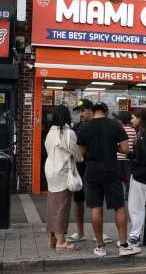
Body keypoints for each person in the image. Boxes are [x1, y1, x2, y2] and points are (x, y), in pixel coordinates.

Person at [76, 102, 140, 257]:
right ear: (107, 111)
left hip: (92, 171)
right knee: (119, 207)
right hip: (112, 169)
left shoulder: (84, 127)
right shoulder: (115, 125)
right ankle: (124, 245)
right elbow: (125, 149)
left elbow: (81, 153)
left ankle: (100, 247)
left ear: (93, 111)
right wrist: (114, 147)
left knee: (96, 207)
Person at [67, 99, 112, 245]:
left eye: (82, 111)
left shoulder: (100, 126)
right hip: (80, 168)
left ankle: (98, 233)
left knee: (96, 203)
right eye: (79, 111)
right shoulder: (78, 127)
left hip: (94, 167)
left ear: (90, 110)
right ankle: (80, 232)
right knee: (79, 201)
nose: (80, 114)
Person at [44, 105, 82, 252]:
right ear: (67, 117)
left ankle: (52, 239)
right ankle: (61, 242)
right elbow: (77, 155)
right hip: (63, 172)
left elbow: (48, 149)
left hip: (50, 170)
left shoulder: (50, 133)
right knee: (62, 207)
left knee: (52, 206)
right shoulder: (69, 133)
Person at [126, 110, 146, 249]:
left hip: (143, 175)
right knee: (133, 206)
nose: (131, 120)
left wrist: (131, 155)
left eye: (133, 118)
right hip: (139, 174)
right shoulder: (143, 134)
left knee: (136, 207)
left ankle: (135, 237)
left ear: (140, 119)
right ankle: (135, 235)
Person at [114, 112, 137, 198]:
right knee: (129, 177)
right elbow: (135, 143)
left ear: (121, 121)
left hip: (118, 157)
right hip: (129, 157)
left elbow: (116, 143)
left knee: (118, 177)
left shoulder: (118, 130)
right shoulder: (133, 130)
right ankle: (128, 193)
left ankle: (120, 193)